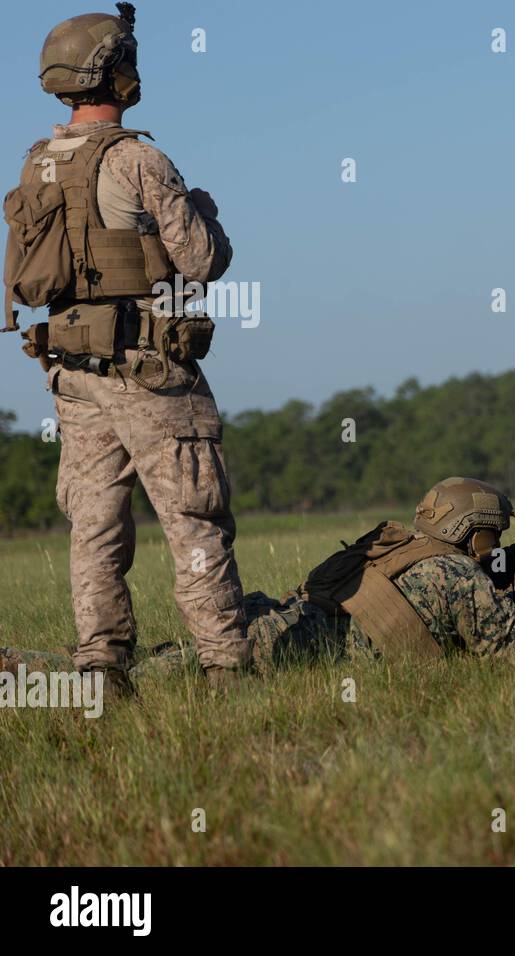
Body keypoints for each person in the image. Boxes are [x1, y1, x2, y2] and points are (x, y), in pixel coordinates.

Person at [2, 3, 247, 693]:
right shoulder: (139, 158)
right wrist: (207, 212)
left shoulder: (35, 166)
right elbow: (199, 261)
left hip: (71, 374)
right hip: (150, 373)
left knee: (95, 528)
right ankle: (226, 667)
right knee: (196, 518)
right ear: (114, 72)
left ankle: (101, 669)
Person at [1, 477, 515, 682]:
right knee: (137, 683)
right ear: (476, 533)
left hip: (281, 620)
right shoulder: (457, 574)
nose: (498, 548)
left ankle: (31, 663)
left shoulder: (399, 547)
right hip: (290, 647)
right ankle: (25, 669)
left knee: (158, 663)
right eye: (495, 537)